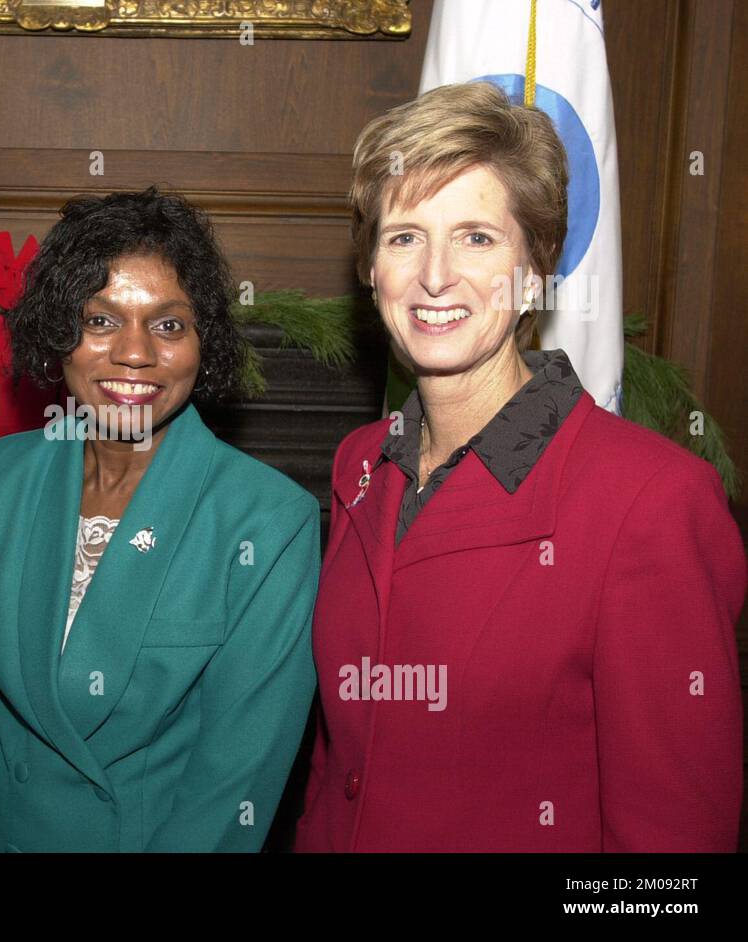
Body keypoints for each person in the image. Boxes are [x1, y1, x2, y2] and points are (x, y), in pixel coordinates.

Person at [294, 82, 746, 852]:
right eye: (404, 237)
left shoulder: (652, 499)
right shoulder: (361, 464)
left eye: (476, 237)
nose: (435, 275)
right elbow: (343, 762)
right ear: (371, 268)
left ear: (534, 266)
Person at [0, 187, 320, 852]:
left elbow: (231, 786)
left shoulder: (267, 523)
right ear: (59, 333)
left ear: (203, 342)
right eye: (101, 321)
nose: (134, 354)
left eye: (168, 325)